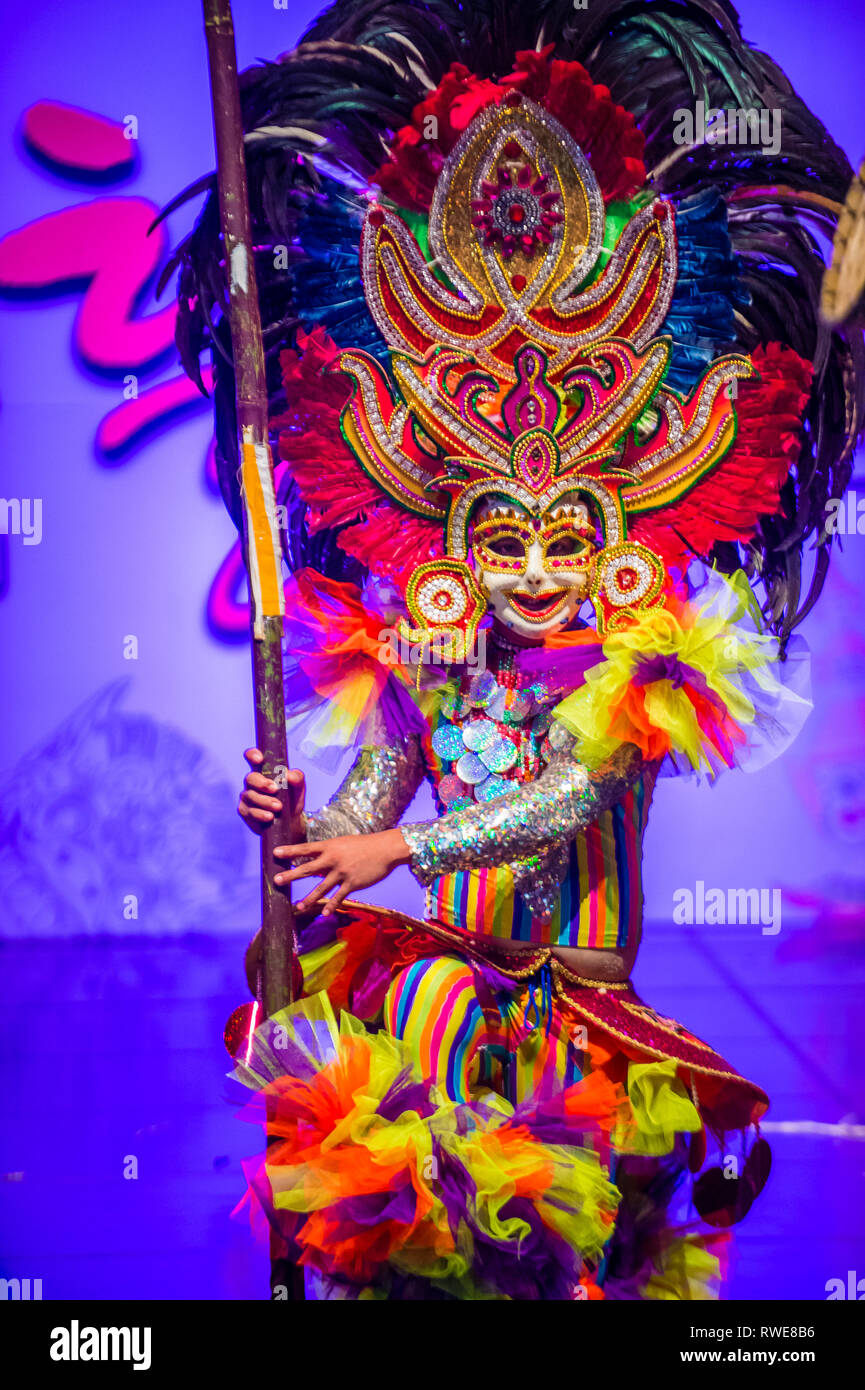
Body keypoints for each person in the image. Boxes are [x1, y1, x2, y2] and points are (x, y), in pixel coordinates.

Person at [171, 0, 864, 1301]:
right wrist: (301, 827)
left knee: (572, 1265)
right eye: (503, 536)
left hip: (579, 1013)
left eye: (564, 536)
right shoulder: (419, 653)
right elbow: (375, 791)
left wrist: (395, 851)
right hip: (445, 1000)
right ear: (456, 531)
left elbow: (561, 798)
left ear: (613, 524)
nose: (535, 567)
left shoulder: (653, 658)